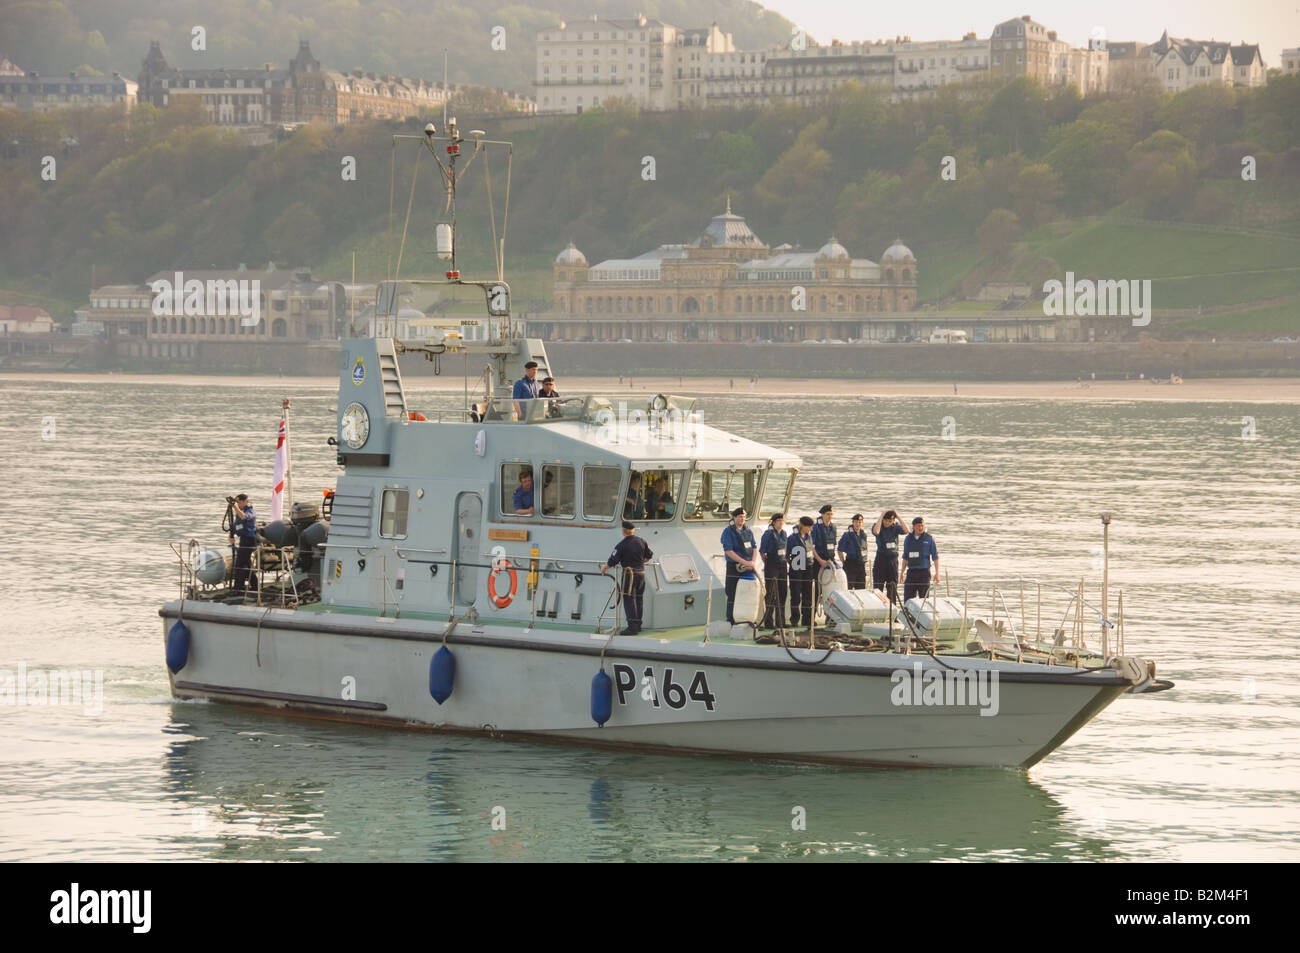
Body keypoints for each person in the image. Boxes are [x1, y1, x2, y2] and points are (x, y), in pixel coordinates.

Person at [601, 521, 653, 634]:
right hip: (641, 574)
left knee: (629, 600)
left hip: (630, 575)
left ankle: (632, 628)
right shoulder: (641, 541)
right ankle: (638, 625)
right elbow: (649, 555)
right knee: (639, 599)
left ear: (623, 531)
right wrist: (641, 561)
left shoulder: (622, 545)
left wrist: (604, 567)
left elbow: (613, 561)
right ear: (633, 531)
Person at [720, 506, 758, 624]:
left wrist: (752, 562)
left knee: (747, 593)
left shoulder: (748, 530)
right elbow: (728, 551)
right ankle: (731, 619)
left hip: (748, 568)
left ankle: (745, 618)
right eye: (740, 517)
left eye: (744, 517)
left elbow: (754, 547)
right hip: (735, 567)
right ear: (734, 517)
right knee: (732, 593)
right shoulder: (728, 532)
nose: (742, 519)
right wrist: (745, 562)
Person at [871, 508, 907, 604]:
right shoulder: (878, 526)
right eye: (886, 520)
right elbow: (876, 532)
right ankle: (877, 609)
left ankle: (892, 612)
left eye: (890, 521)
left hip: (893, 560)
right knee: (878, 588)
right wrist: (882, 515)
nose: (887, 522)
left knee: (892, 588)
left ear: (893, 521)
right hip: (881, 559)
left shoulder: (895, 527)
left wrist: (898, 516)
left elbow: (906, 530)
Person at [760, 513, 789, 629]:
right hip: (771, 563)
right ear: (773, 522)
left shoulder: (784, 533)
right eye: (778, 521)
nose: (781, 522)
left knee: (782, 593)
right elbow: (762, 552)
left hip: (782, 564)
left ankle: (780, 621)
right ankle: (769, 622)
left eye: (782, 520)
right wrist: (767, 564)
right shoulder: (768, 534)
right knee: (771, 594)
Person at [902, 516, 940, 603]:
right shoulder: (908, 539)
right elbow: (905, 557)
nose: (920, 528)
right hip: (911, 572)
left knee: (924, 599)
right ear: (913, 526)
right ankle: (908, 615)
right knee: (908, 599)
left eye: (922, 525)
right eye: (918, 525)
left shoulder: (929, 538)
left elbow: (935, 557)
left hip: (924, 573)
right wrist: (902, 572)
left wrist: (937, 573)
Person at [787, 516, 815, 629]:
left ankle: (807, 619)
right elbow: (787, 555)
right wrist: (794, 565)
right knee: (795, 595)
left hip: (808, 567)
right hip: (797, 568)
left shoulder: (809, 537)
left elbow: (811, 550)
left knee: (807, 594)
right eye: (809, 527)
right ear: (803, 526)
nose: (811, 529)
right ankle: (795, 619)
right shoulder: (792, 538)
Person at [227, 494, 259, 593]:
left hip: (249, 540)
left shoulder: (250, 511)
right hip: (243, 539)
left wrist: (235, 507)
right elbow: (235, 525)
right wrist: (231, 536)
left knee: (240, 564)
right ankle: (255, 586)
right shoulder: (239, 512)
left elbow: (243, 517)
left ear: (245, 501)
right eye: (238, 503)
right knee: (247, 563)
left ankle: (238, 587)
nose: (239, 504)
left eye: (240, 502)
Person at [810, 504, 838, 604]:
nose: (829, 516)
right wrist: (820, 560)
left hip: (830, 561)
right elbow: (811, 547)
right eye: (827, 514)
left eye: (831, 514)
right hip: (819, 561)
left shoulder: (833, 527)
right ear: (822, 515)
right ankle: (813, 617)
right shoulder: (815, 528)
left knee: (831, 588)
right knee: (816, 590)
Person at [839, 513, 869, 590]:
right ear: (852, 523)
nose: (858, 524)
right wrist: (844, 562)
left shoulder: (863, 535)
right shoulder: (847, 535)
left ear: (862, 523)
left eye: (859, 522)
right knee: (848, 587)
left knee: (861, 588)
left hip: (861, 565)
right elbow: (840, 550)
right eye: (856, 522)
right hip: (850, 564)